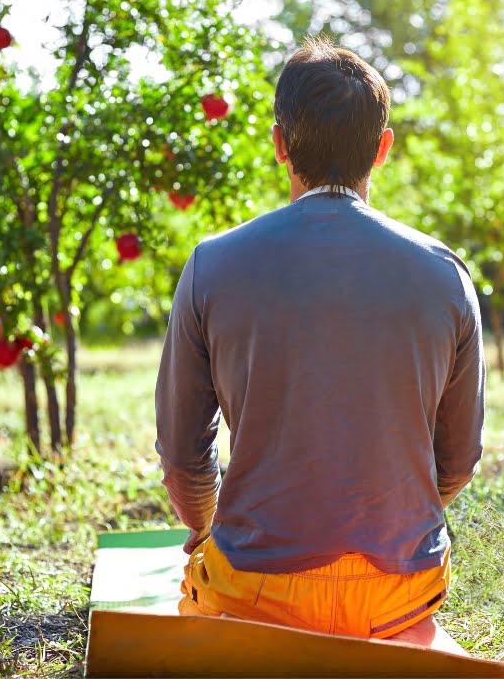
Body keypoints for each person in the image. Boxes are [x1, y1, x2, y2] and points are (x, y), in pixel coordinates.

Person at [155, 37, 484, 650]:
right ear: (382, 148)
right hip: (401, 590)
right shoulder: (446, 275)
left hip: (257, 588)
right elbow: (458, 462)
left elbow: (183, 458)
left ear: (280, 143)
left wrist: (203, 529)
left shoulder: (212, 265)